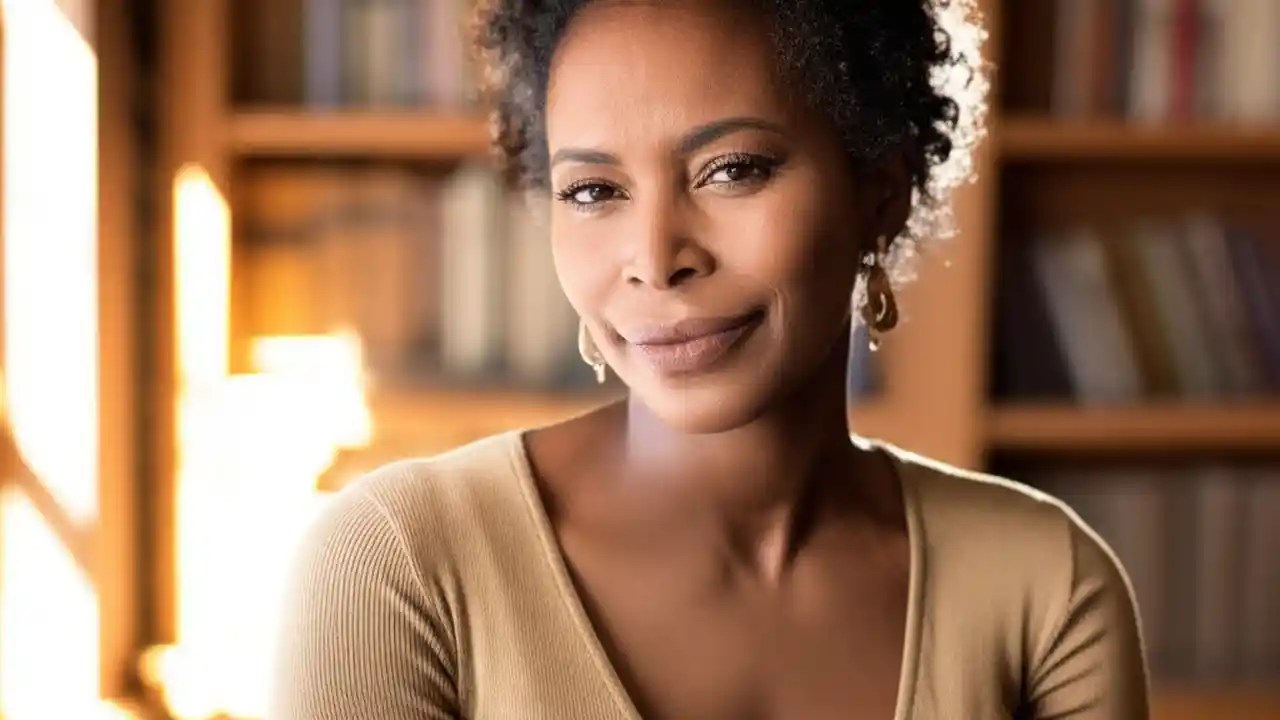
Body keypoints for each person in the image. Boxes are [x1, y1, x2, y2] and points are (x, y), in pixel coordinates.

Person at [267, 1, 1150, 718]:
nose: (655, 257)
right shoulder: (401, 566)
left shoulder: (1045, 592)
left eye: (731, 170)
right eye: (594, 191)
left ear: (879, 192)